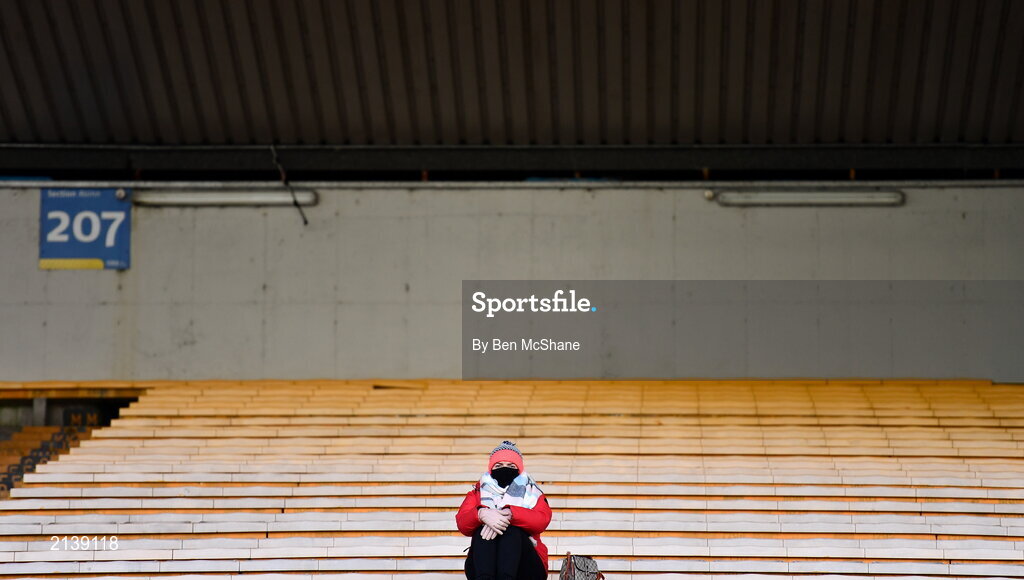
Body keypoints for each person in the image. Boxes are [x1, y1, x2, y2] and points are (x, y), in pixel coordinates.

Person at [456, 441, 552, 580]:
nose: (505, 469)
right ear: (490, 469)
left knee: (511, 530)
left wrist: (510, 514)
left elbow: (541, 520)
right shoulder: (476, 493)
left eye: (511, 465)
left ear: (519, 469)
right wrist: (481, 514)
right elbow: (463, 523)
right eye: (498, 465)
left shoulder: (533, 492)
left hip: (526, 565)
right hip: (485, 561)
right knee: (482, 530)